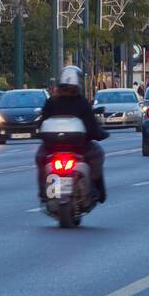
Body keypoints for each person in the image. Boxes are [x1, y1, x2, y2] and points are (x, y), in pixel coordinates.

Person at [38, 65, 108, 204]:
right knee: (97, 154)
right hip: (79, 148)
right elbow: (92, 126)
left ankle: (43, 191)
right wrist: (101, 134)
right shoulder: (81, 102)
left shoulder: (51, 102)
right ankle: (97, 190)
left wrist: (40, 133)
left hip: (53, 148)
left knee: (40, 157)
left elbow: (41, 123)